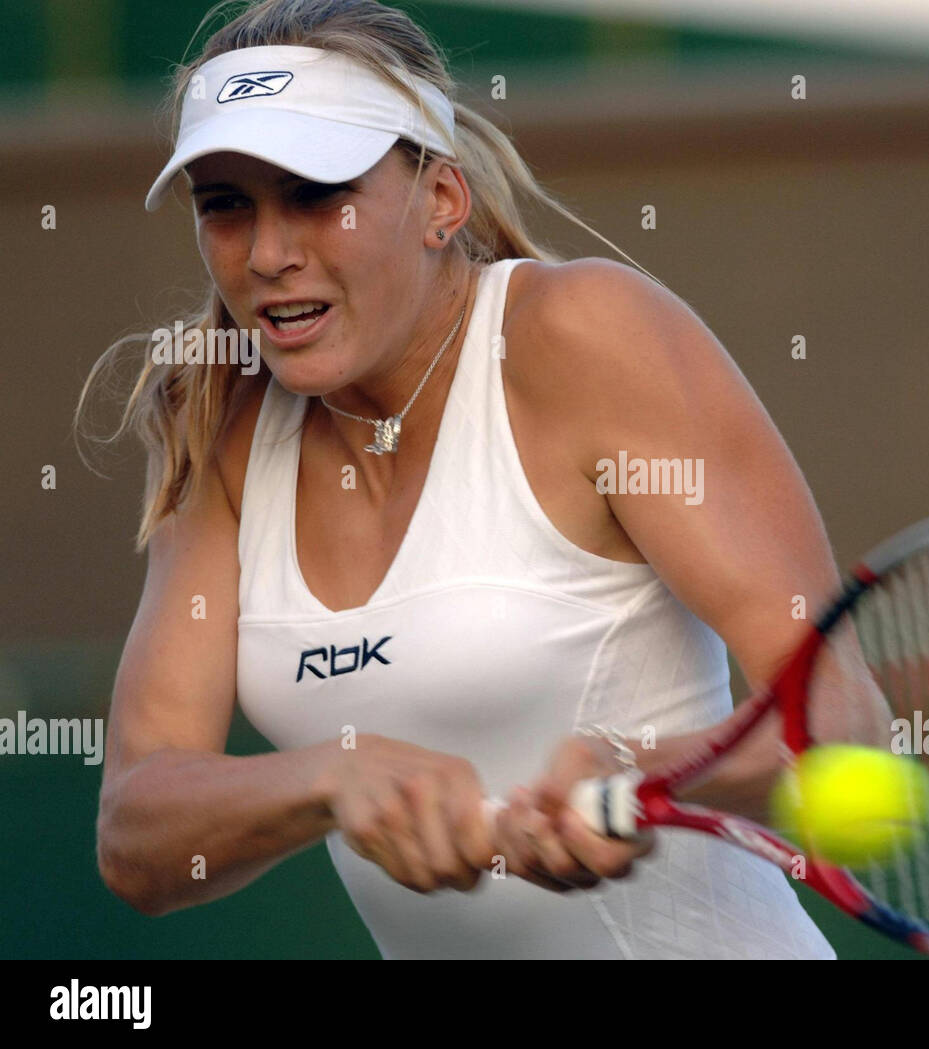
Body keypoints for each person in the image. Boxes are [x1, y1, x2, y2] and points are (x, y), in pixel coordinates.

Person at [83, 0, 843, 959]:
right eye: (224, 203)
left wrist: (635, 773)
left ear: (441, 199)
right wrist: (331, 778)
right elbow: (136, 832)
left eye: (318, 192)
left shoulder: (586, 334)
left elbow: (846, 723)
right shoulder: (220, 421)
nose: (269, 254)